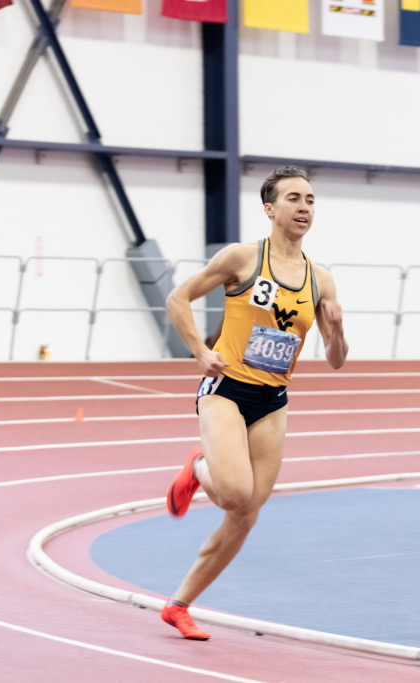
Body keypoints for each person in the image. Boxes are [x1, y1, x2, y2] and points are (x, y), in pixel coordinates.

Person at [159, 166, 349, 641]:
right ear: (270, 208)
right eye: (293, 198)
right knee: (231, 492)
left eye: (310, 199)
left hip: (273, 399)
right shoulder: (242, 258)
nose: (305, 207)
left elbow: (336, 361)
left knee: (246, 514)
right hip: (227, 389)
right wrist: (201, 352)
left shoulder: (320, 279)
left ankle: (179, 604)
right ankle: (198, 467)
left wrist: (338, 328)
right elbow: (178, 298)